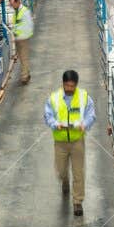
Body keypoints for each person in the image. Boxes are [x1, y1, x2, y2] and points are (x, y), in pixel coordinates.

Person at [44, 69, 95, 217]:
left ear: (76, 85)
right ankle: (64, 180)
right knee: (61, 170)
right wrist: (55, 123)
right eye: (67, 86)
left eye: (72, 86)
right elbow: (47, 115)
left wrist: (85, 124)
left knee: (78, 172)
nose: (69, 89)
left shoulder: (84, 97)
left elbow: (91, 115)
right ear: (63, 84)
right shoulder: (54, 98)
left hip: (77, 141)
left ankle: (77, 201)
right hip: (60, 142)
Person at [8, 0, 34, 85]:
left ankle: (24, 77)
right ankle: (26, 73)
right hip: (18, 38)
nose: (12, 6)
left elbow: (29, 24)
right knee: (22, 58)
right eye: (10, 5)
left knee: (24, 57)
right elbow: (17, 23)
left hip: (23, 38)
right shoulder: (16, 11)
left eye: (12, 4)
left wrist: (20, 33)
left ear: (18, 2)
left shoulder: (24, 11)